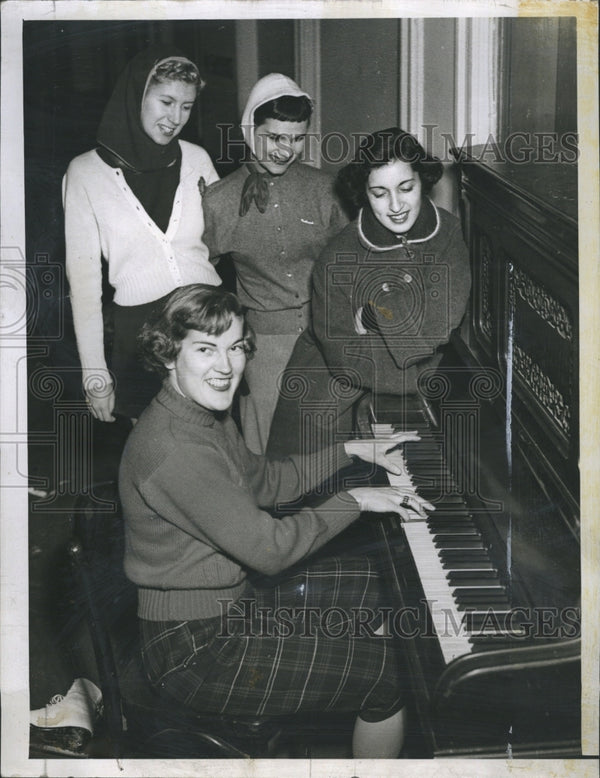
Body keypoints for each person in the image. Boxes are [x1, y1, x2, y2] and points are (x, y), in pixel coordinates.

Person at [119, 284, 433, 758]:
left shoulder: (203, 416)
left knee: (381, 584)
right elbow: (270, 550)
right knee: (387, 675)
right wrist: (357, 499)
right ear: (169, 354)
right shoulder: (175, 450)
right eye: (205, 349)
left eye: (236, 348)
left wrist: (349, 451)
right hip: (196, 650)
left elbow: (265, 482)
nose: (225, 367)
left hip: (228, 602)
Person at [267, 127, 472, 458]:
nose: (395, 206)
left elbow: (437, 329)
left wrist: (374, 313)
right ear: (364, 193)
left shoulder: (448, 234)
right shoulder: (336, 258)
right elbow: (347, 361)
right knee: (318, 493)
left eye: (406, 188)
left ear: (423, 181)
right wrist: (424, 370)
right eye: (379, 193)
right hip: (327, 395)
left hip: (411, 392)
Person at [63, 46, 221, 422]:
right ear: (137, 95)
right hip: (141, 336)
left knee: (217, 450)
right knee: (157, 458)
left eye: (186, 106)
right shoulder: (84, 173)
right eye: (166, 101)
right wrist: (95, 375)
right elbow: (84, 285)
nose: (175, 118)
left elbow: (224, 241)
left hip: (209, 322)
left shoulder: (197, 158)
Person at [202, 73, 348, 454]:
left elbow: (351, 265)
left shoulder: (326, 190)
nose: (287, 150)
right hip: (263, 348)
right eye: (275, 137)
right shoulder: (218, 201)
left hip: (327, 337)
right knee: (266, 448)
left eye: (297, 138)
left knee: (327, 445)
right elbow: (198, 278)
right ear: (251, 130)